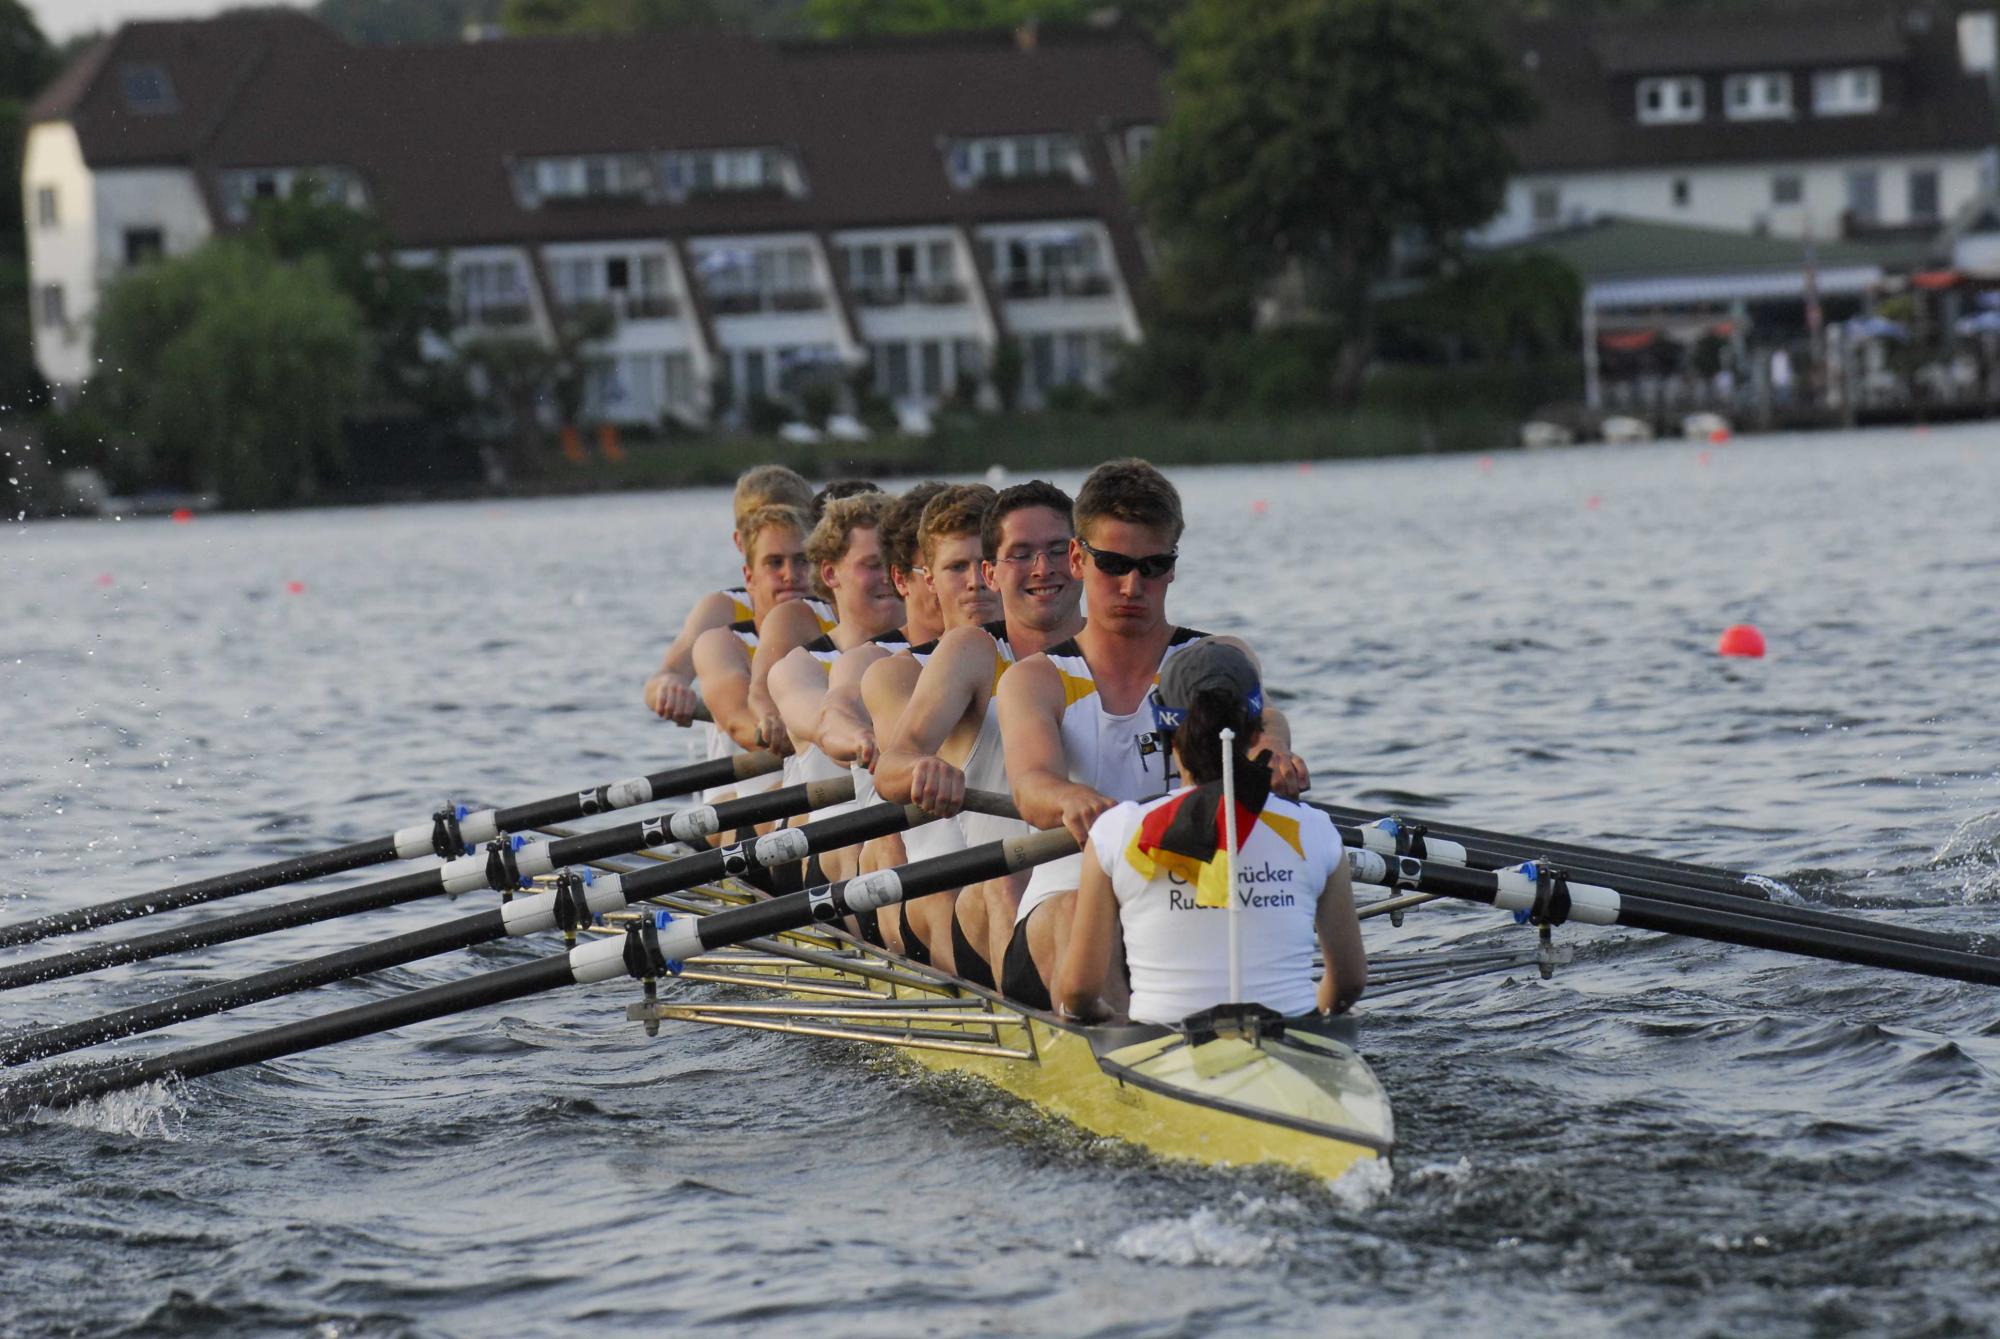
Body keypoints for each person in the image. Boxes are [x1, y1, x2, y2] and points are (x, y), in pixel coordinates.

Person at [996, 459, 1310, 1012]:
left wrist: (1272, 755)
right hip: (1065, 907)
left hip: (1185, 903)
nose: (1131, 586)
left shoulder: (1216, 660)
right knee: (1074, 910)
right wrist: (1069, 797)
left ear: (1173, 566)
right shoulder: (1037, 680)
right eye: (1113, 564)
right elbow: (1031, 783)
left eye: (1152, 566)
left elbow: (1265, 723)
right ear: (1077, 559)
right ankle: (1137, 1060)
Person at [1052, 640, 1365, 1025]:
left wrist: (1105, 1020)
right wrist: (1316, 1020)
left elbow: (1079, 990)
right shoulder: (1314, 829)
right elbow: (1349, 983)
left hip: (1160, 1043)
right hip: (1292, 1032)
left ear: (1164, 728)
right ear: (1255, 730)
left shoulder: (1116, 831)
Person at [872, 480, 1086, 985]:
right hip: (992, 899)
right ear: (998, 572)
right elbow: (892, 766)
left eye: (1057, 550)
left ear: (1080, 558)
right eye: (1023, 555)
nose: (1043, 569)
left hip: (1093, 886)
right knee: (1003, 883)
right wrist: (920, 769)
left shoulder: (1122, 649)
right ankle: (1046, 1036)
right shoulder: (972, 652)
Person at [643, 465, 829, 724]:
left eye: (792, 521)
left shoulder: (841, 605)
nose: (789, 573)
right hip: (754, 739)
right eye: (766, 523)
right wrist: (669, 689)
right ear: (740, 541)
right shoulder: (722, 611)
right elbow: (667, 674)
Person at [685, 502, 813, 809]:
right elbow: (739, 723)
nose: (790, 575)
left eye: (801, 561)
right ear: (749, 576)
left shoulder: (839, 633)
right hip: (743, 808)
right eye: (774, 563)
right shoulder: (722, 644)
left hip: (817, 791)